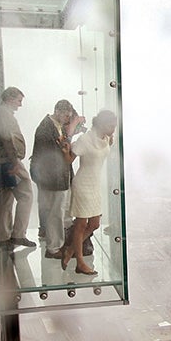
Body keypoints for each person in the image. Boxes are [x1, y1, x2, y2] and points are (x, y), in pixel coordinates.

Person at [60, 110, 117, 275]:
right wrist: (65, 151)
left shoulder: (106, 138)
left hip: (94, 185)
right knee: (81, 225)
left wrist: (110, 139)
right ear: (101, 124)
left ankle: (70, 251)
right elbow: (70, 159)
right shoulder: (85, 139)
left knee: (95, 224)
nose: (113, 129)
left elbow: (106, 148)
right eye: (110, 125)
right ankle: (79, 263)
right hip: (83, 184)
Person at [31, 99, 85, 259]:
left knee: (59, 212)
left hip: (56, 177)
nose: (68, 120)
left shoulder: (54, 125)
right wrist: (72, 130)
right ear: (58, 112)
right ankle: (54, 248)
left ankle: (57, 244)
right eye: (67, 116)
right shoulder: (46, 128)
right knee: (55, 213)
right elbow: (59, 150)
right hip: (52, 177)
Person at [0, 86, 35, 248]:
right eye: (19, 101)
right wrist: (15, 163)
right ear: (9, 98)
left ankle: (5, 237)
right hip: (8, 160)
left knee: (5, 198)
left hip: (3, 159)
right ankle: (16, 235)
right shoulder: (2, 114)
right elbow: (6, 138)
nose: (20, 105)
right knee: (24, 194)